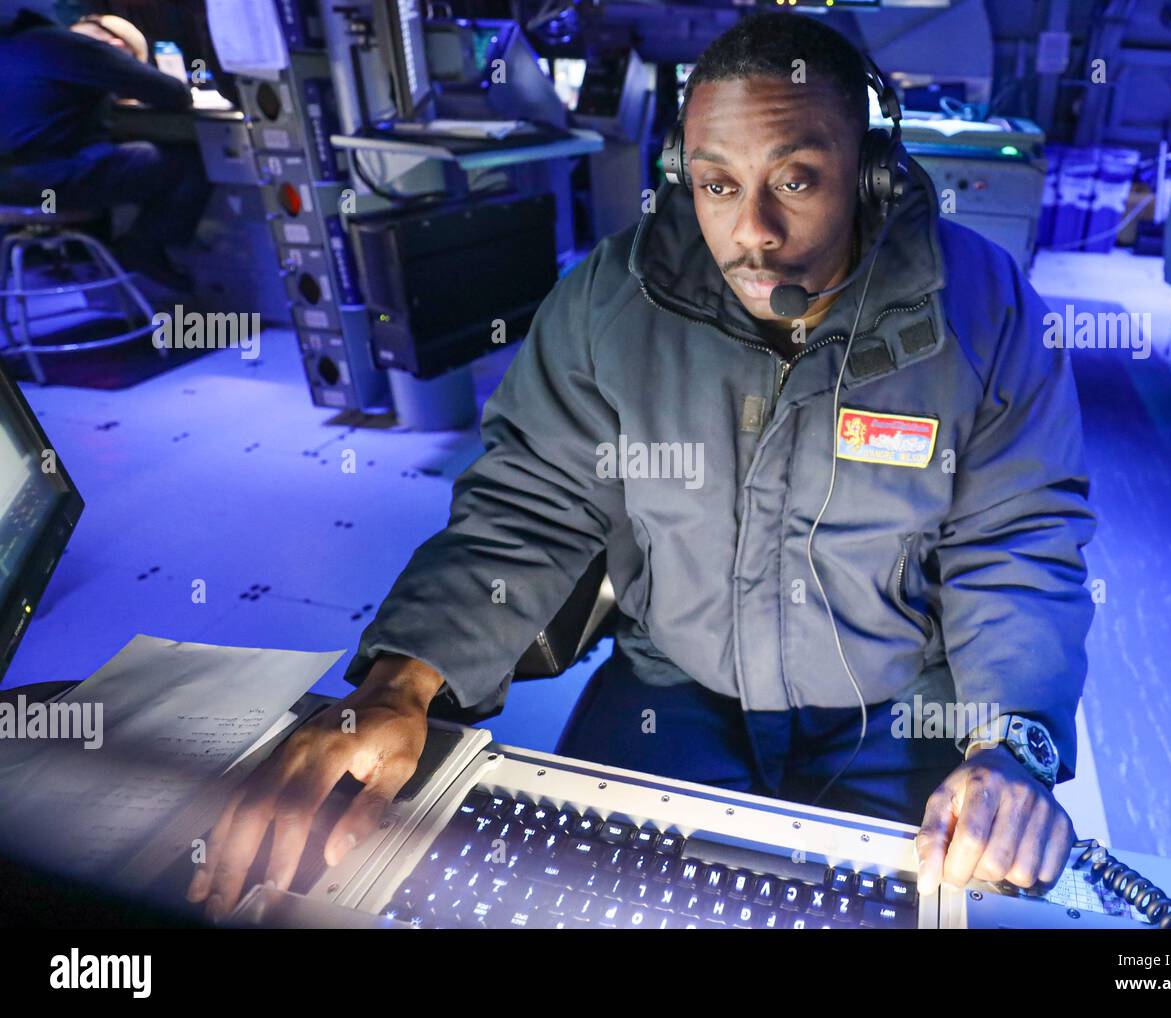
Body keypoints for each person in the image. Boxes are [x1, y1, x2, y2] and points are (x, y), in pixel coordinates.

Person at [188, 12, 1097, 921]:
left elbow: (1013, 542)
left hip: (900, 711)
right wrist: (403, 682)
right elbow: (529, 508)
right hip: (677, 694)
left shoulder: (982, 311)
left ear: (869, 172)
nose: (755, 231)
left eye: (797, 178)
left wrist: (1008, 746)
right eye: (716, 183)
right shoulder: (611, 300)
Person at [0, 8, 209, 290]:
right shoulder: (76, 47)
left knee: (111, 159)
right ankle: (142, 249)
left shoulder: (12, 45)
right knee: (188, 163)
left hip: (10, 186)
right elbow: (174, 94)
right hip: (49, 182)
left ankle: (93, 267)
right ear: (118, 48)